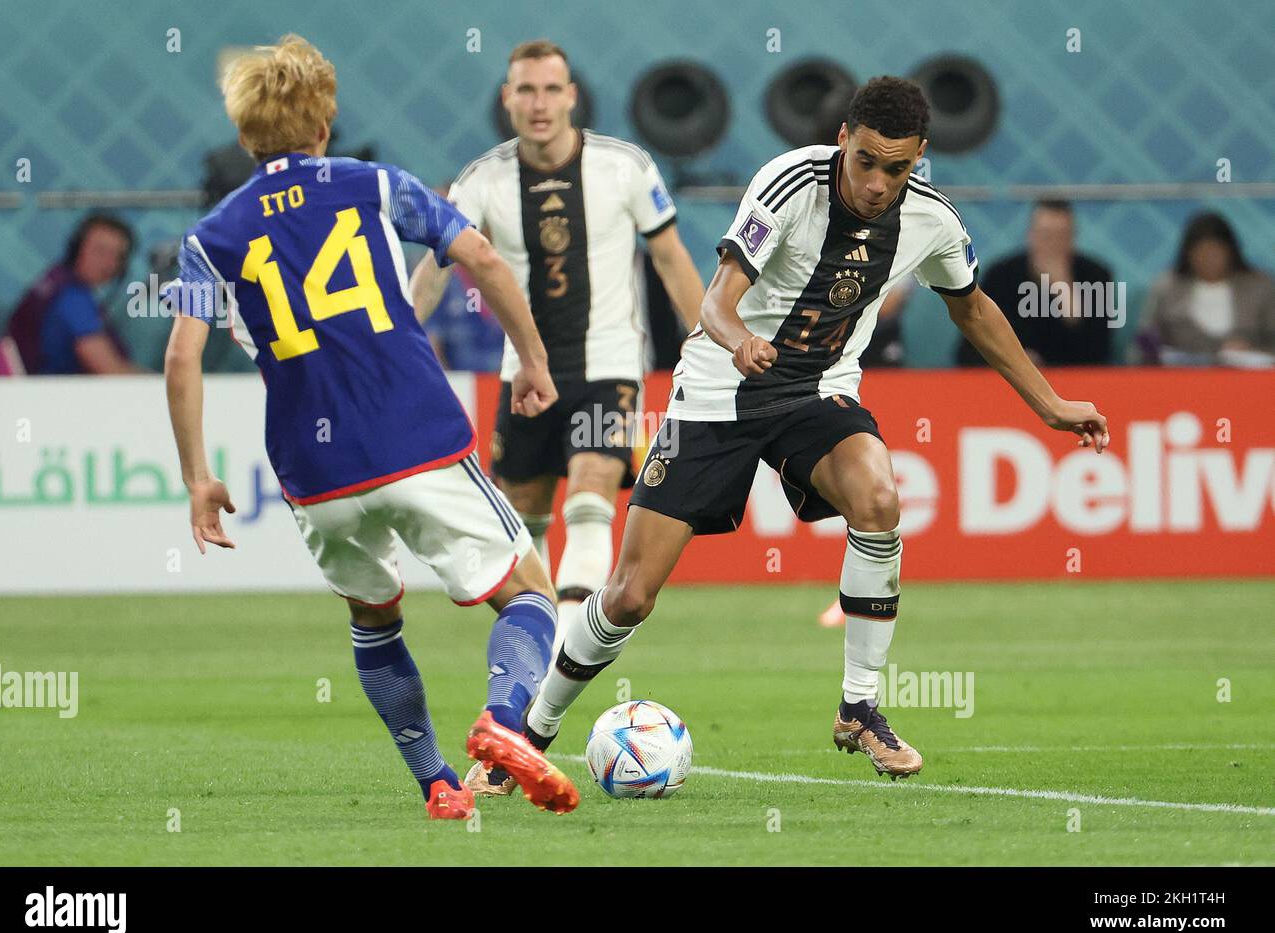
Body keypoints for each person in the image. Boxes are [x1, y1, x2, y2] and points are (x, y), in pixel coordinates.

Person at [524, 76, 1110, 780]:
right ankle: (529, 736)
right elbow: (716, 301)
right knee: (628, 597)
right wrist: (739, 339)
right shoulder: (788, 184)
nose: (876, 183)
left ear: (919, 157)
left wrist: (1049, 404)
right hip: (719, 390)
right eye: (865, 161)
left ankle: (859, 708)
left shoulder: (931, 220)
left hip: (817, 390)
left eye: (896, 168)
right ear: (843, 141)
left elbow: (973, 309)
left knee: (880, 501)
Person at [163, 34, 579, 820]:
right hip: (415, 436)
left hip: (315, 477)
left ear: (247, 136)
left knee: (373, 617)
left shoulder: (210, 238)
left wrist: (197, 478)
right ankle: (502, 718)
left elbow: (182, 359)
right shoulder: (375, 185)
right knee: (529, 594)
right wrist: (531, 361)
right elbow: (482, 257)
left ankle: (437, 784)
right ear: (325, 124)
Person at [408, 39, 707, 797]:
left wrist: (712, 341)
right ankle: (527, 706)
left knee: (590, 495)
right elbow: (437, 269)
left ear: (572, 94)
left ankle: (537, 712)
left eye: (549, 89)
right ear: (508, 100)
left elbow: (671, 258)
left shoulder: (625, 167)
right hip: (526, 379)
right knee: (520, 548)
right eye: (524, 91)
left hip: (610, 368)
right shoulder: (482, 180)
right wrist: (400, 352)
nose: (538, 103)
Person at [956, 199, 1114, 367]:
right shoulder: (1001, 275)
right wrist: (1014, 360)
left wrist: (1063, 288)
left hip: (1073, 379)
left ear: (1073, 237)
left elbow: (1099, 354)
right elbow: (970, 349)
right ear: (1031, 235)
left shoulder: (1096, 276)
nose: (1053, 245)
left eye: (1061, 236)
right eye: (1046, 235)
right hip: (1010, 377)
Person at [6, 213, 145, 374]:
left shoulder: (53, 282)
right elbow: (109, 369)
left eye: (117, 256)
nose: (109, 263)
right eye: (101, 251)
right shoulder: (73, 299)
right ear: (77, 250)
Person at [1135, 211, 1275, 365]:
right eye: (1201, 253)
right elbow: (1144, 344)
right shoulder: (1167, 287)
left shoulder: (1261, 287)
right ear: (1188, 254)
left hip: (1250, 380)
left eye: (1216, 252)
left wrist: (1252, 350)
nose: (1209, 260)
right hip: (1181, 380)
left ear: (1231, 252)